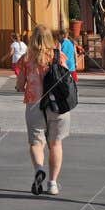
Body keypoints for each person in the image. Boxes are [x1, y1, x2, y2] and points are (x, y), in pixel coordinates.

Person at [17, 25, 69, 196]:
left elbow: (19, 85)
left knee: (36, 142)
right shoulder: (59, 56)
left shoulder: (27, 58)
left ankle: (39, 169)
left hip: (34, 103)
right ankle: (52, 183)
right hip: (58, 105)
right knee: (56, 143)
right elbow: (67, 79)